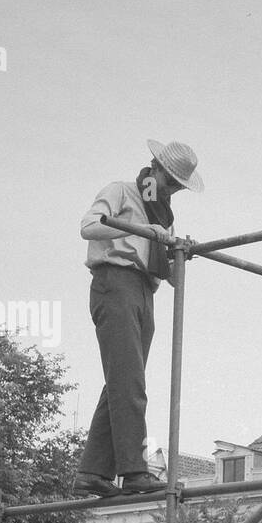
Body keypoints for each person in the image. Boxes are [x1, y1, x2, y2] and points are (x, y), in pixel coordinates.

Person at [75, 139, 203, 499]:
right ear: (155, 169)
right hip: (115, 283)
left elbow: (172, 277)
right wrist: (141, 231)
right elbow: (89, 226)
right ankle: (133, 472)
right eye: (170, 181)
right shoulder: (122, 192)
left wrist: (180, 253)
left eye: (179, 186)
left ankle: (92, 471)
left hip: (145, 292)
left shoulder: (164, 215)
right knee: (129, 384)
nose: (172, 190)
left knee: (123, 381)